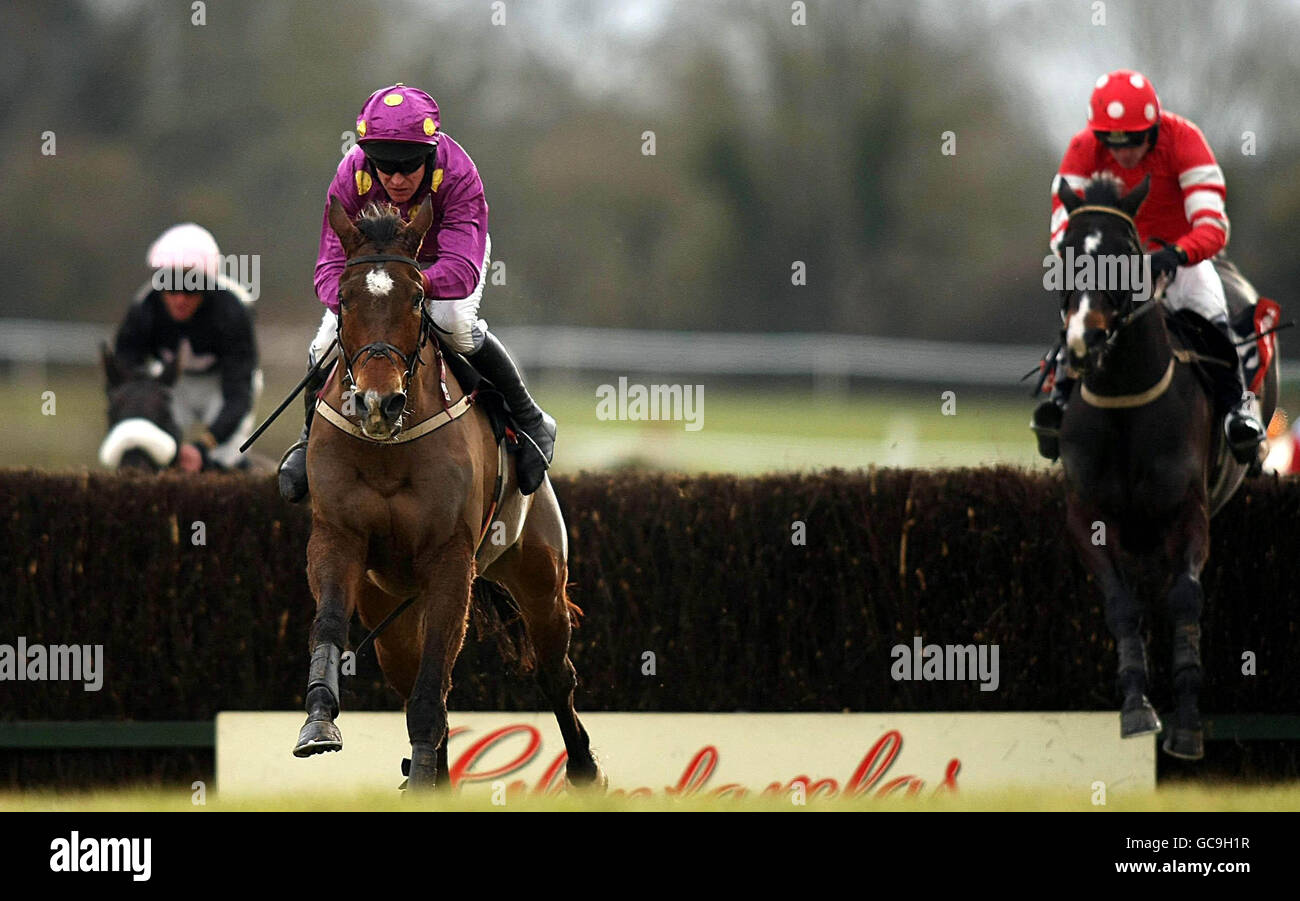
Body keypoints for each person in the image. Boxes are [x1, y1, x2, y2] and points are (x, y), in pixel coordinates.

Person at [277, 83, 555, 502]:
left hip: (441, 261)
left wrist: (412, 287)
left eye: (408, 166)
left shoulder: (459, 174)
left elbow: (461, 269)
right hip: (375, 277)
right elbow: (329, 266)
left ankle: (533, 421)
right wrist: (368, 303)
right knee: (323, 343)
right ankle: (305, 438)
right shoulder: (351, 174)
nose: (396, 178)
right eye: (385, 168)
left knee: (453, 324)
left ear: (430, 153)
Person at [1032, 69, 1266, 464]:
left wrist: (1174, 255)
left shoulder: (1185, 140)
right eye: (1112, 142)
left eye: (1135, 141)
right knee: (1078, 316)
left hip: (1180, 258)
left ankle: (1237, 413)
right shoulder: (1082, 147)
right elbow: (1061, 225)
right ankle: (1058, 400)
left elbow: (1212, 225)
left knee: (1211, 313)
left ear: (1153, 128)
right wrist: (1099, 264)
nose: (1124, 153)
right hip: (1112, 264)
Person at [114, 223, 260, 471]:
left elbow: (239, 393)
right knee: (157, 452)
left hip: (222, 385)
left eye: (191, 288)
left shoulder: (232, 311)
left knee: (225, 458)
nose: (179, 298)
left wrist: (203, 447)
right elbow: (127, 375)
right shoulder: (144, 308)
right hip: (173, 383)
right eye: (170, 286)